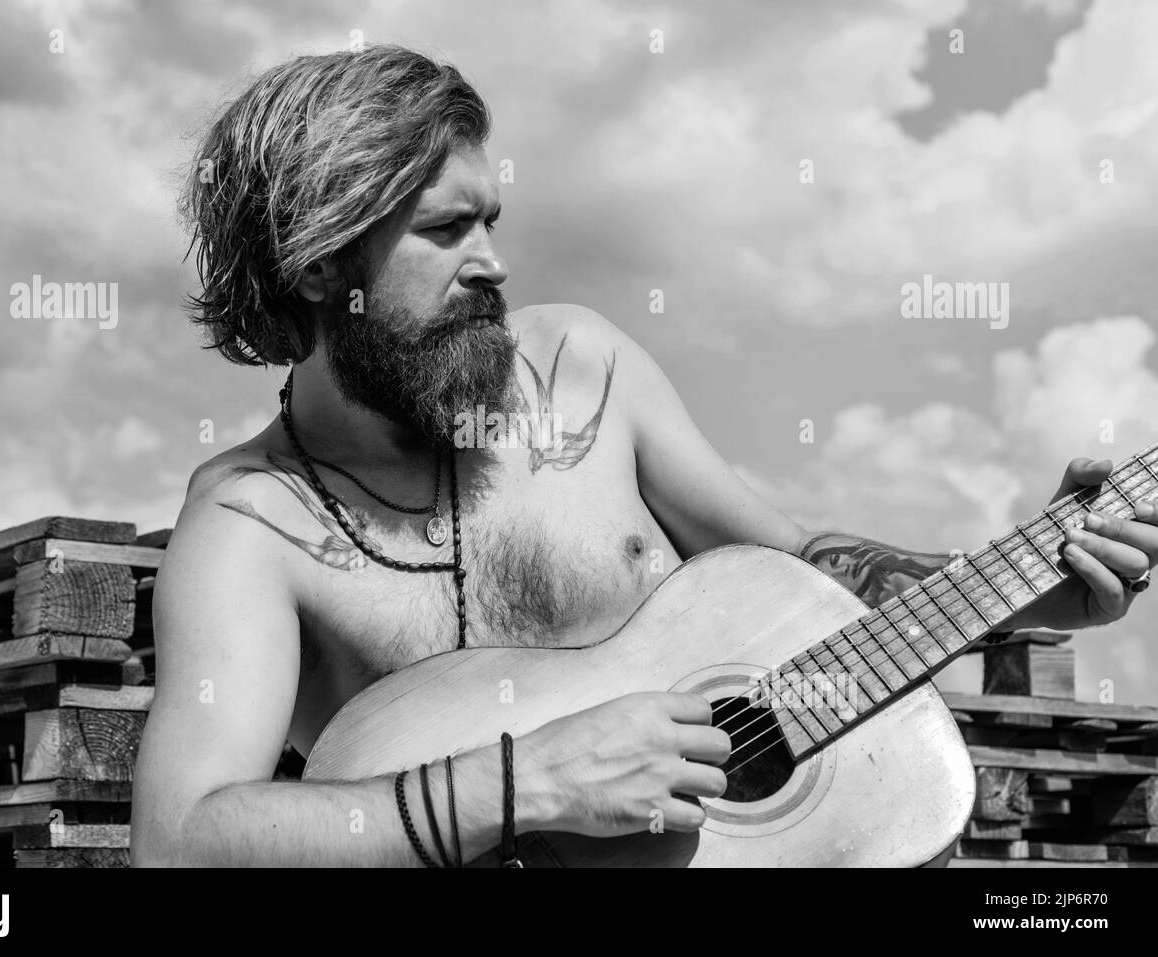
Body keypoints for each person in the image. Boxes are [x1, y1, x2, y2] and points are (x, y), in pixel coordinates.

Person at [130, 44, 1158, 866]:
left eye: (490, 221)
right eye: (445, 231)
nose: (492, 264)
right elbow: (180, 842)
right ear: (316, 264)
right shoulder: (250, 523)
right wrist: (534, 780)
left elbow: (807, 579)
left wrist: (1026, 583)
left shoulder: (582, 367)